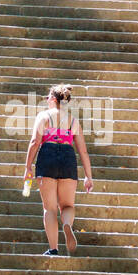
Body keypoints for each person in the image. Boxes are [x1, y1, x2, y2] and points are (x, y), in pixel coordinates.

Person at [23, 84, 94, 256]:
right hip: (68, 158)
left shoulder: (44, 116)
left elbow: (34, 142)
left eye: (48, 97)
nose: (46, 100)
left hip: (47, 156)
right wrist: (88, 176)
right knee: (68, 205)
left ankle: (53, 249)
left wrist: (28, 167)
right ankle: (67, 224)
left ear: (54, 99)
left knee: (50, 209)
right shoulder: (73, 121)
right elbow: (83, 150)